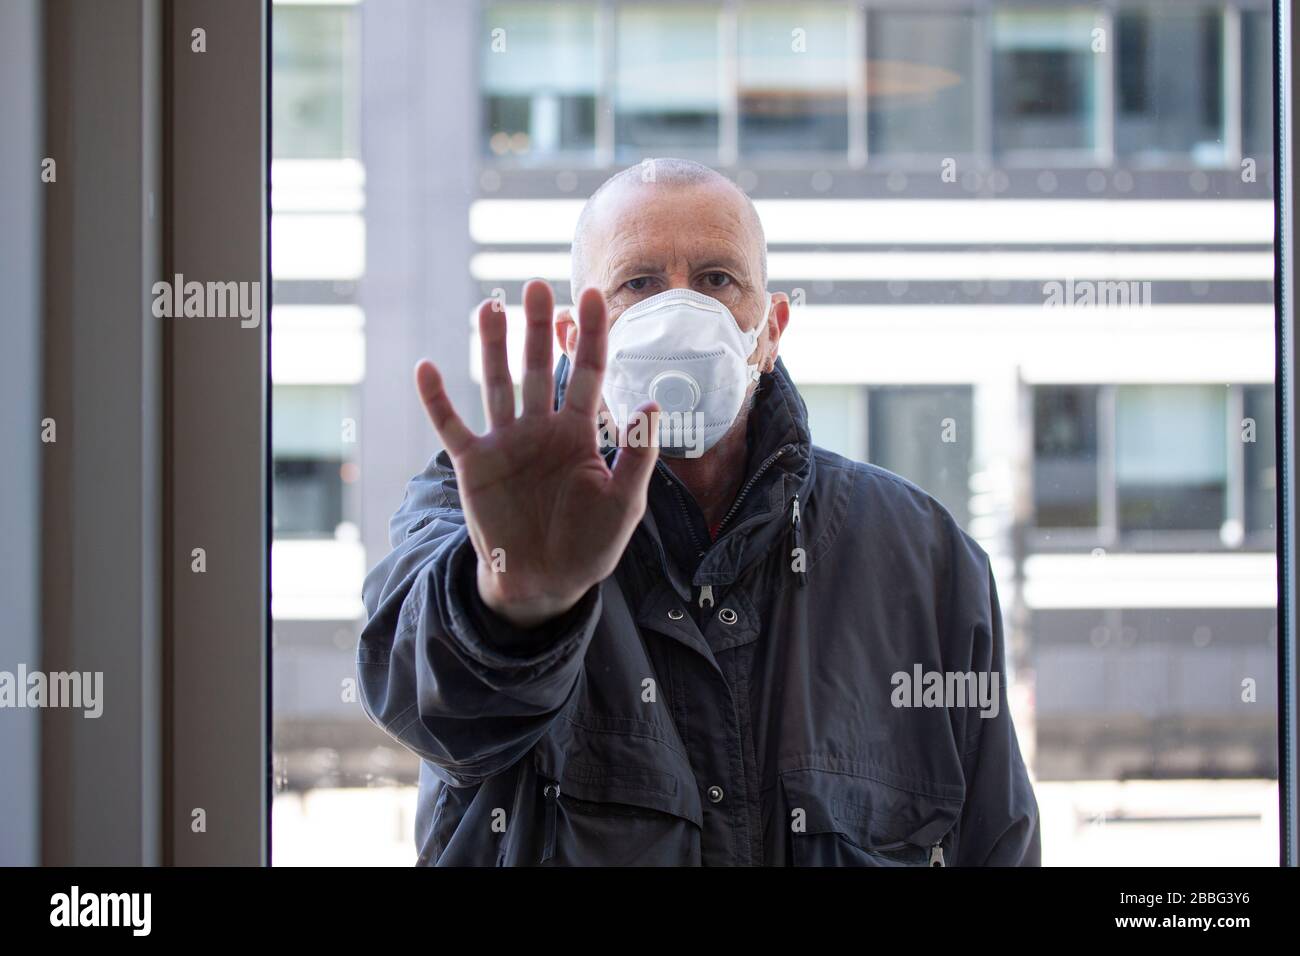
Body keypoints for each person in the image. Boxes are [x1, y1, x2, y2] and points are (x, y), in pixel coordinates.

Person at [357, 158, 1041, 866]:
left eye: (717, 280)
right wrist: (512, 606)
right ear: (574, 337)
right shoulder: (484, 509)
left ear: (770, 330)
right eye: (639, 283)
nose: (682, 314)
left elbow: (999, 843)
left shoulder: (921, 559)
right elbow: (419, 699)